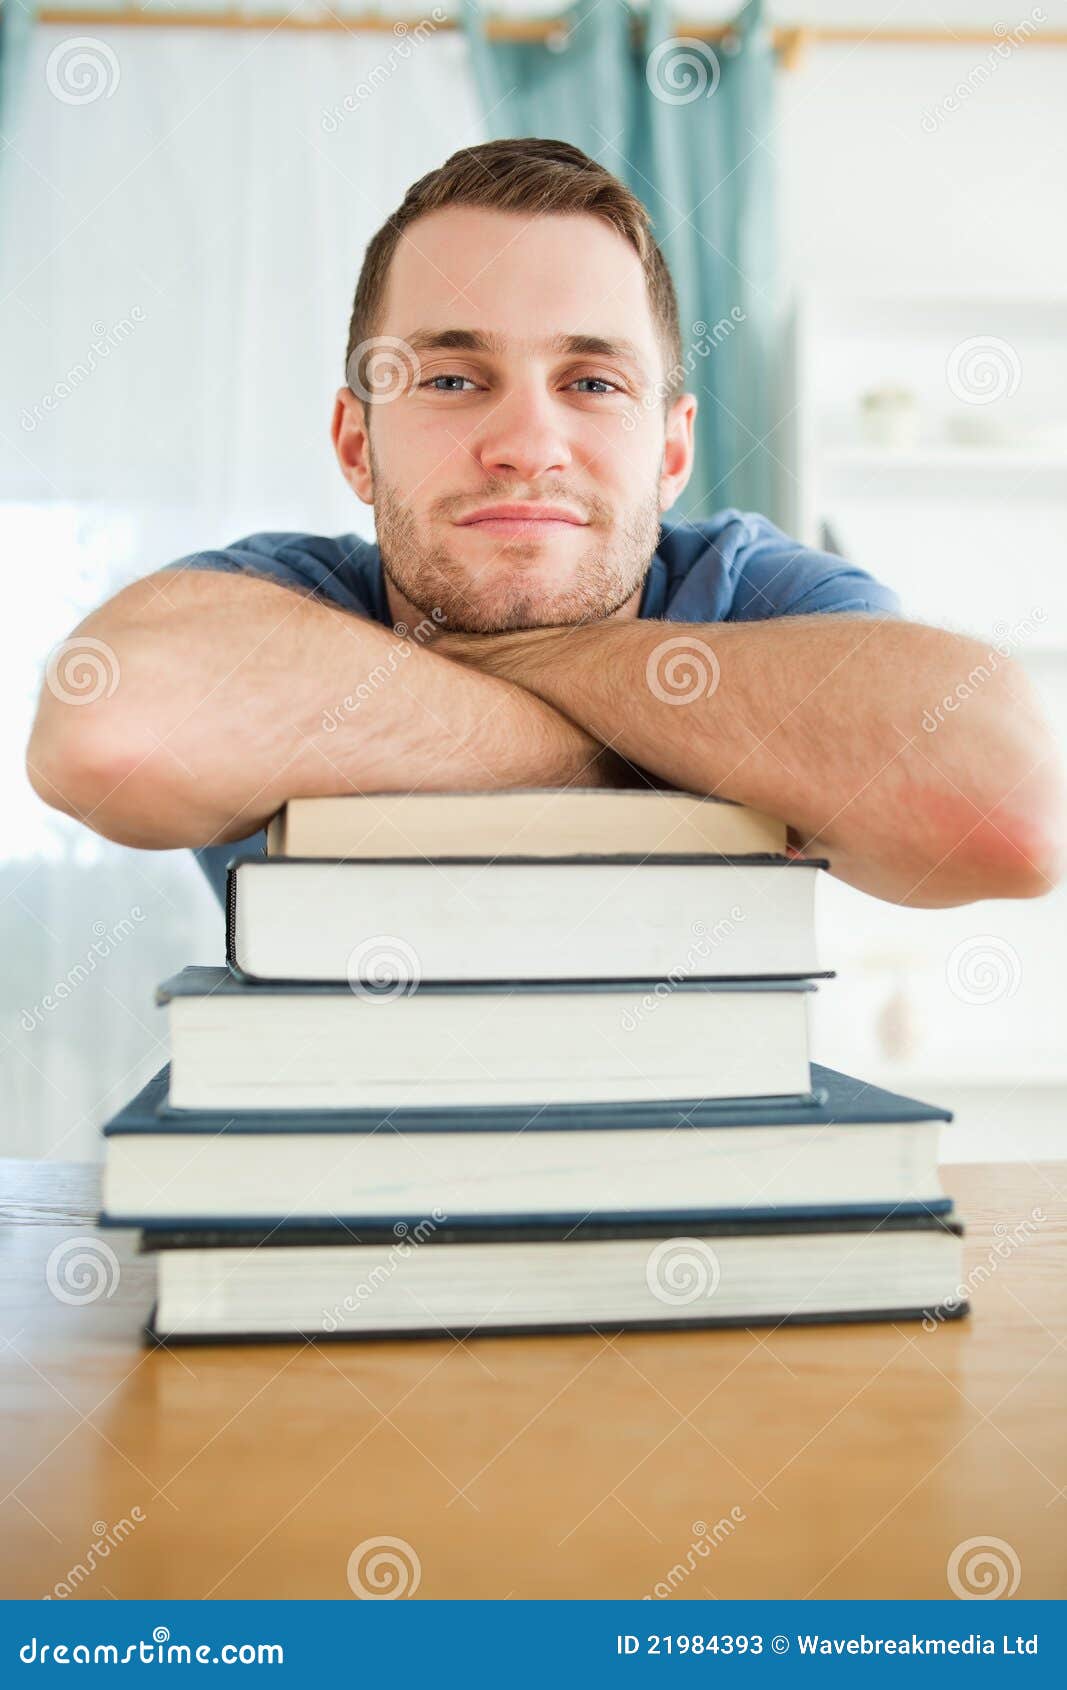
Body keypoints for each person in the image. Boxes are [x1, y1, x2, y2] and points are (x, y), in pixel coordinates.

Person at [27, 138, 1063, 910]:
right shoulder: (285, 596)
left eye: (591, 380)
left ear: (669, 451)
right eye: (448, 376)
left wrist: (526, 658)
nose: (526, 440)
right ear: (355, 443)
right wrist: (635, 741)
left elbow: (1009, 807)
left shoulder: (750, 592)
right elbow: (105, 729)